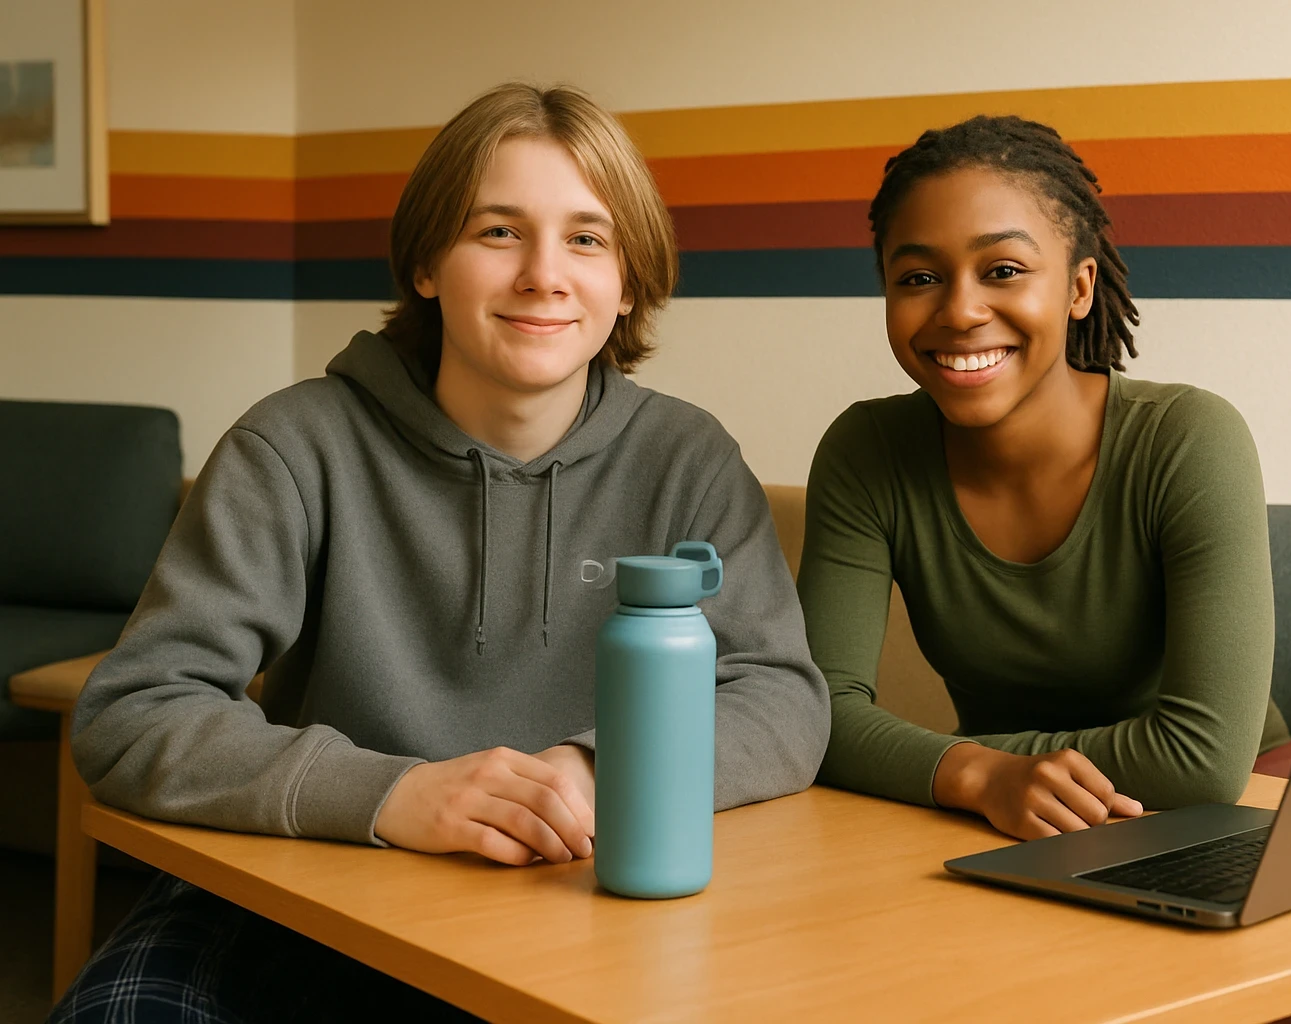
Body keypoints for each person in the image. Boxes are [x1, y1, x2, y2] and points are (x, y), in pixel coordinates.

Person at [53, 82, 829, 1022]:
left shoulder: (690, 459)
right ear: (426, 264)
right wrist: (393, 793)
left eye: (587, 238)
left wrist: (599, 769)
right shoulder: (292, 446)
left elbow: (785, 698)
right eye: (497, 231)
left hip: (584, 899)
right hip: (309, 887)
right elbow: (132, 713)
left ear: (628, 281)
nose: (545, 274)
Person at [799, 115, 1291, 844]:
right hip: (1009, 820)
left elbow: (1204, 760)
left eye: (1003, 270)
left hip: (1238, 806)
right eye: (919, 277)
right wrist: (977, 777)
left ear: (1080, 287)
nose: (961, 310)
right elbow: (816, 715)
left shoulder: (1189, 439)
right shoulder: (867, 452)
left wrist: (954, 764)